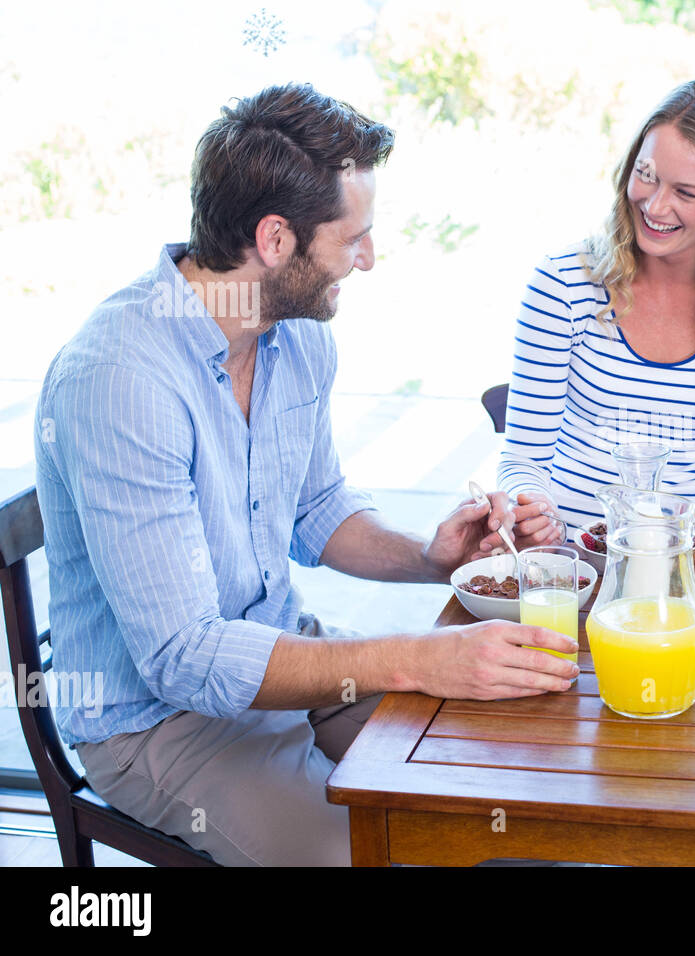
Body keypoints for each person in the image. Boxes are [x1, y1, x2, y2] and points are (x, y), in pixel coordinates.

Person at [33, 84, 577, 867]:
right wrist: (412, 657)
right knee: (373, 857)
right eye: (352, 239)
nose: (368, 259)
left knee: (508, 782)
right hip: (154, 723)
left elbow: (316, 509)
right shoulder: (120, 379)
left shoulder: (296, 339)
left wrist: (431, 557)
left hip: (284, 661)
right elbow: (185, 658)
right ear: (276, 239)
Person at [496, 80, 695, 547]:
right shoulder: (564, 283)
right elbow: (523, 460)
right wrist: (533, 511)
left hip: (685, 567)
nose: (656, 206)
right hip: (572, 567)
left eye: (686, 192)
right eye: (647, 175)